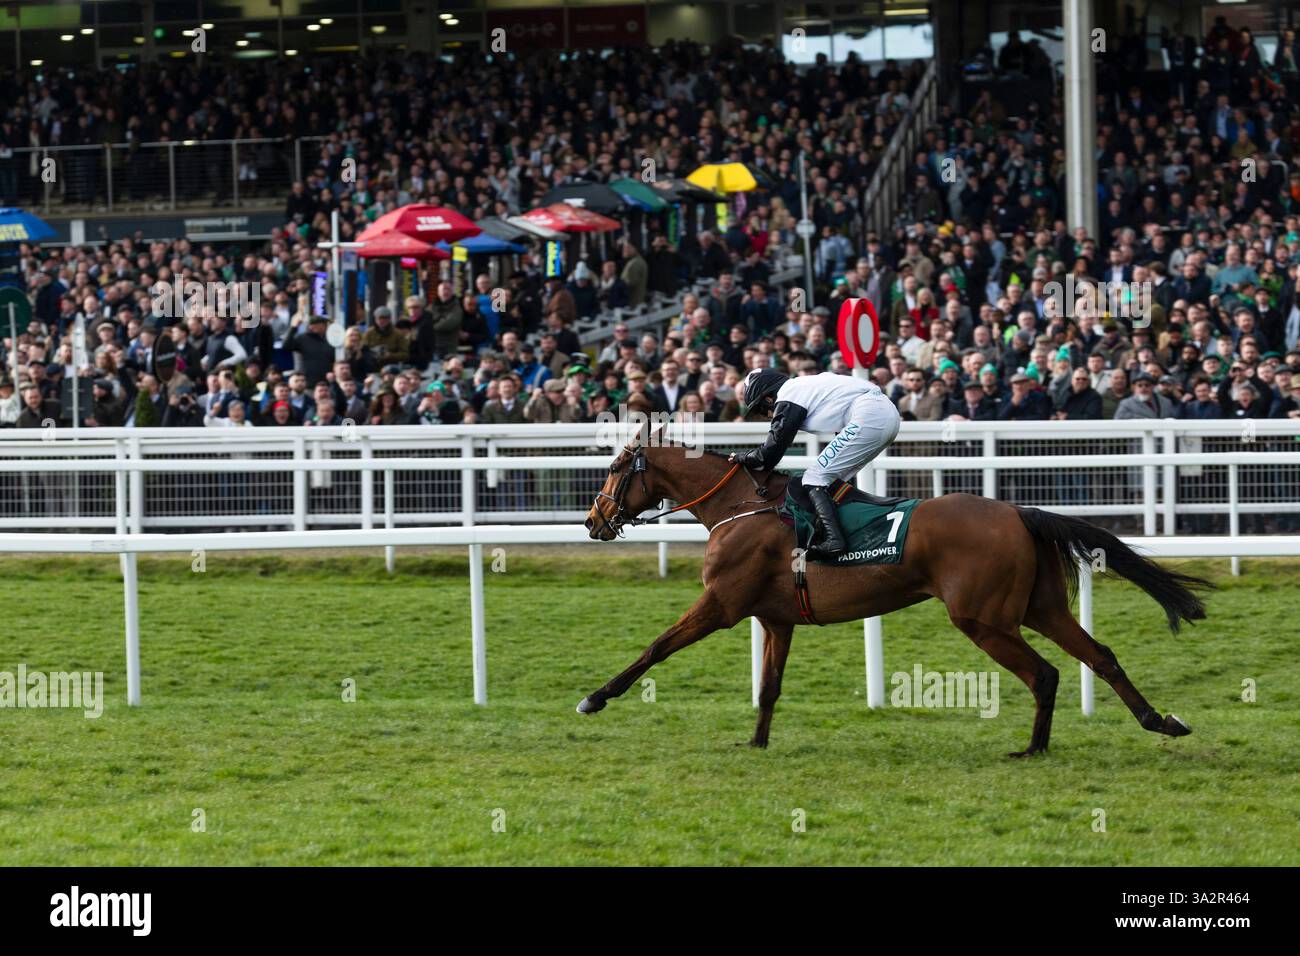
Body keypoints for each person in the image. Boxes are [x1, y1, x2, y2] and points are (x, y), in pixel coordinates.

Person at [729, 367, 901, 556]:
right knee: (829, 480)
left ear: (769, 398)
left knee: (814, 477)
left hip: (870, 415)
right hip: (882, 414)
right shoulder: (805, 386)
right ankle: (855, 529)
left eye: (763, 409)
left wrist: (740, 457)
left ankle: (834, 540)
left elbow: (769, 456)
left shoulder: (789, 395)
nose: (768, 415)